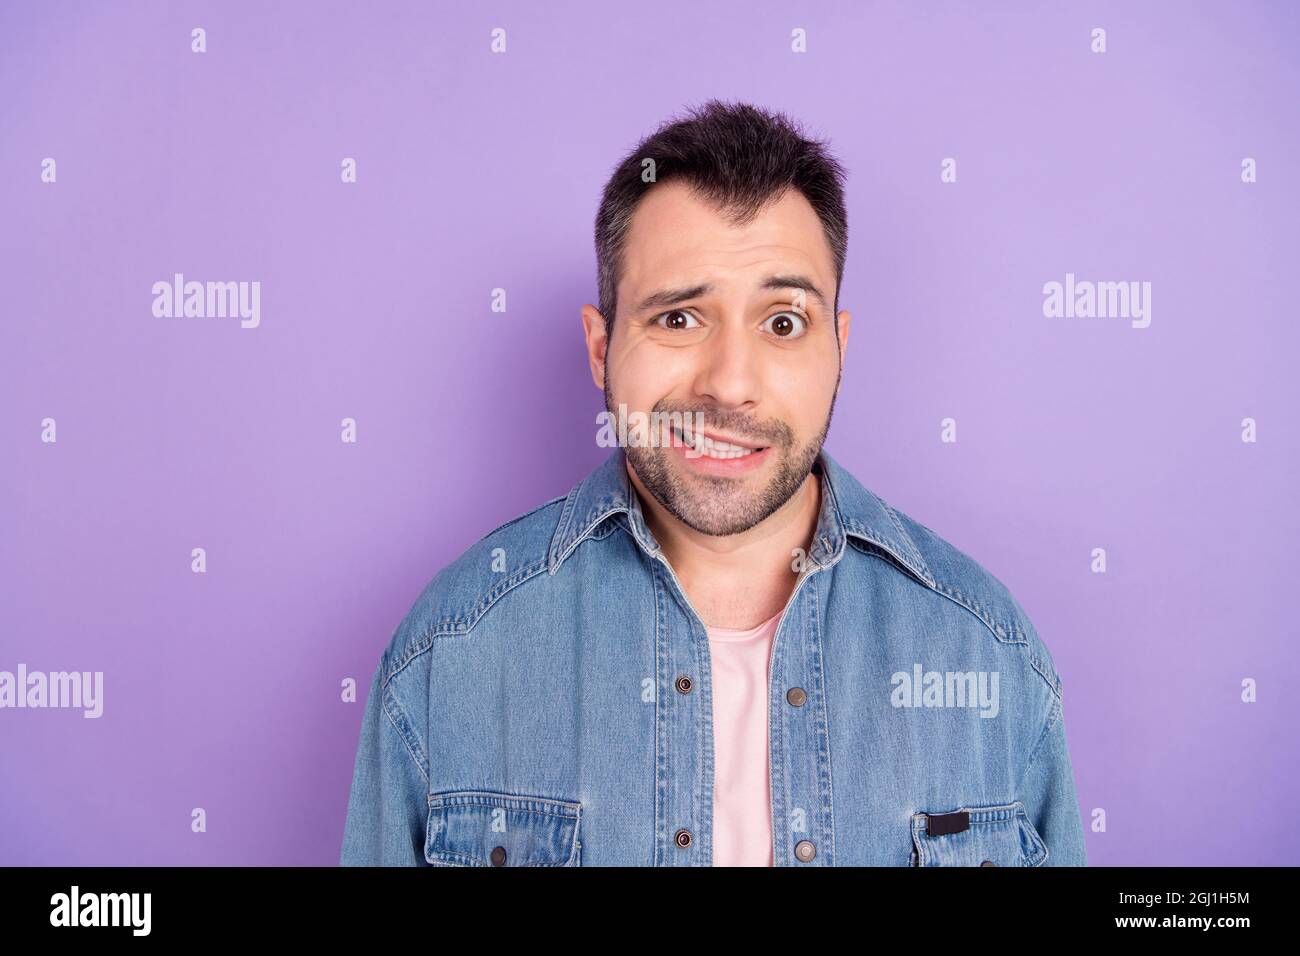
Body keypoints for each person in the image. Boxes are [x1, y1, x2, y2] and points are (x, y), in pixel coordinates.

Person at [340, 99, 1087, 867]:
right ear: (601, 350)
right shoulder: (451, 652)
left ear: (838, 345)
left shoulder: (990, 654)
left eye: (784, 322)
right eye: (678, 319)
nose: (730, 386)